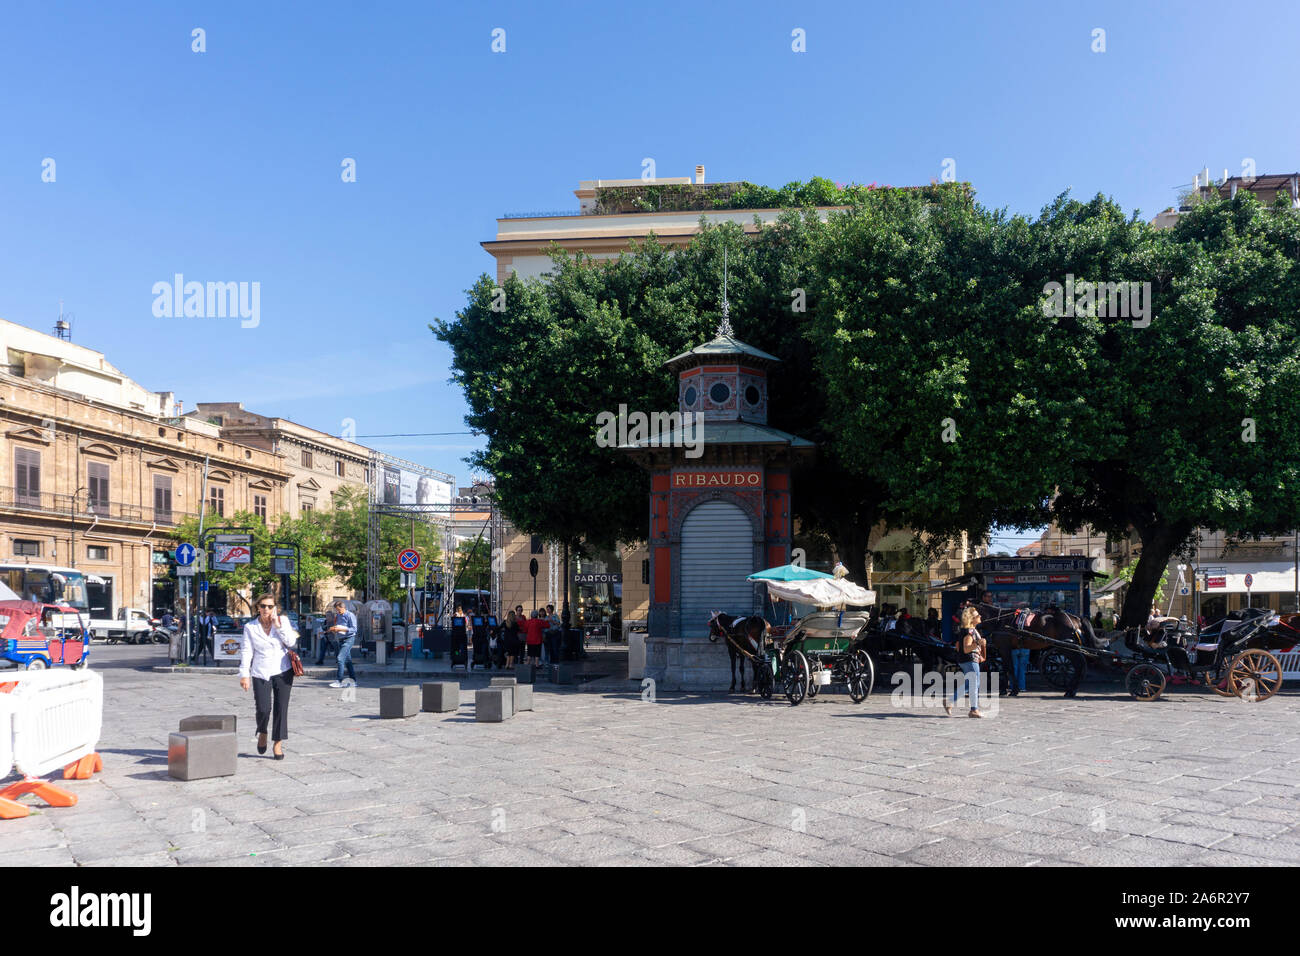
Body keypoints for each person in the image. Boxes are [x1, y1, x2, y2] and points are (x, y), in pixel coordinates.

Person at [239, 594, 299, 760]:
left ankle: (278, 742)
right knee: (263, 708)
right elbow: (246, 651)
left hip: (283, 669)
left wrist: (278, 626)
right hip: (261, 671)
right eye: (263, 606)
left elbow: (291, 642)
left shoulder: (283, 621)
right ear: (257, 607)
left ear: (275, 608)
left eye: (270, 606)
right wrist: (244, 674)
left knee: (281, 708)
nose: (266, 609)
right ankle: (263, 731)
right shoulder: (250, 627)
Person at [944, 605, 985, 718]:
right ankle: (973, 710)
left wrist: (978, 653)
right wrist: (978, 643)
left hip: (967, 660)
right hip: (970, 661)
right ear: (972, 619)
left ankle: (952, 702)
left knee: (971, 684)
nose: (980, 616)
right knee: (974, 684)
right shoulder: (970, 631)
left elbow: (959, 646)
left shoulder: (967, 630)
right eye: (977, 615)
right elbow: (966, 648)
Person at [327, 600, 358, 688]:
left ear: (343, 607)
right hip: (341, 639)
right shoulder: (339, 616)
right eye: (336, 610)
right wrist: (334, 629)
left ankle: (339, 680)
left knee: (340, 658)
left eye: (338, 610)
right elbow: (339, 625)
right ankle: (353, 681)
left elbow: (354, 629)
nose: (338, 611)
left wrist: (341, 629)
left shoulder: (350, 615)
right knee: (348, 661)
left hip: (349, 639)